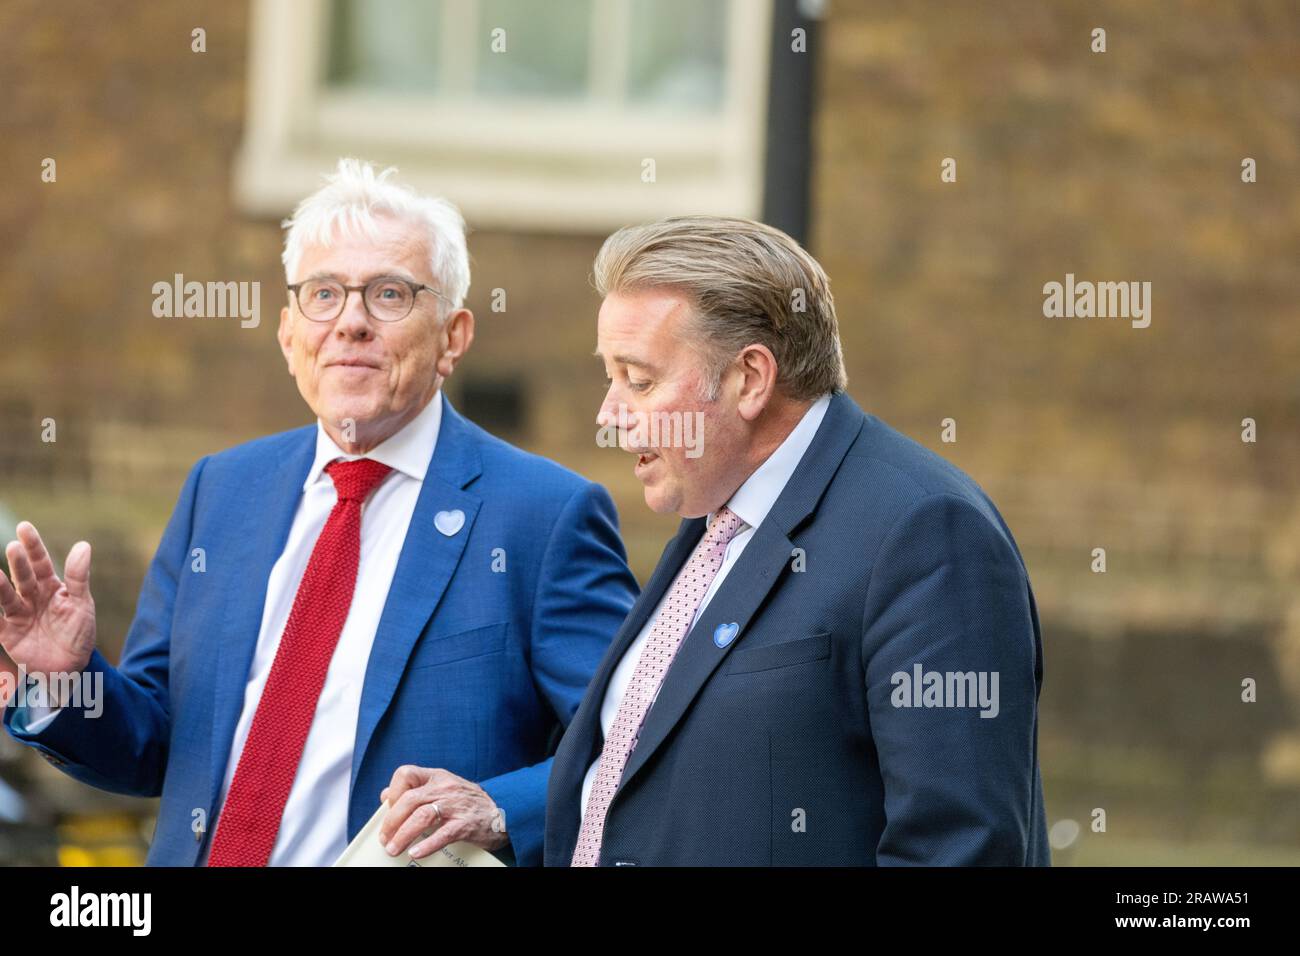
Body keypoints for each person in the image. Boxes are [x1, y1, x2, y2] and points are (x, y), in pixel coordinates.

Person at [0, 159, 638, 867]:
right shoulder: (223, 489)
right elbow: (152, 744)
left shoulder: (543, 517)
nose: (351, 324)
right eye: (323, 295)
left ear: (453, 337)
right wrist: (66, 679)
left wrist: (496, 809)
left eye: (389, 294)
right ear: (287, 334)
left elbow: (631, 746)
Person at [545, 216, 1050, 865]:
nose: (608, 414)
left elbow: (960, 848)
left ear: (750, 378)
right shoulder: (716, 514)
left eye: (638, 381)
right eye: (609, 378)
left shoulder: (928, 535)